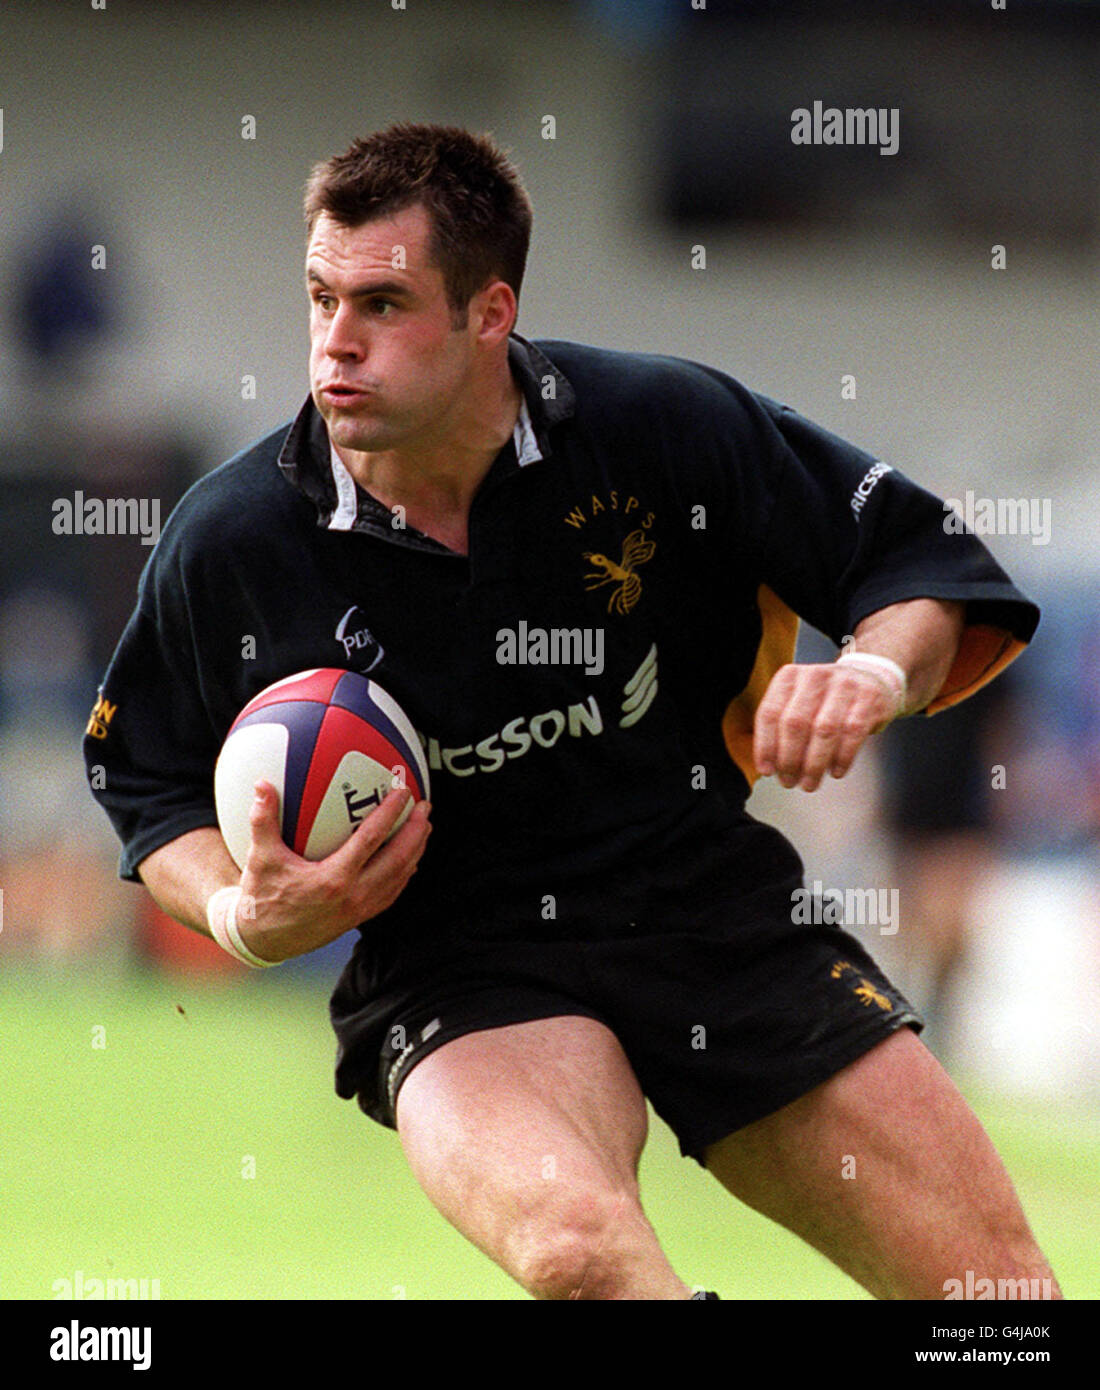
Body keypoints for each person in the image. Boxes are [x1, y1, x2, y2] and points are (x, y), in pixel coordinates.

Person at [84, 124, 1060, 1301]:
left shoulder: (661, 426)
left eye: (383, 304)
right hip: (458, 963)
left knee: (994, 1296)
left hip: (706, 905)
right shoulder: (232, 539)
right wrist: (243, 916)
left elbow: (916, 564)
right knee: (577, 1254)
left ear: (488, 315)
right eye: (319, 297)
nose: (335, 343)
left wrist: (868, 673)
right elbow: (145, 781)